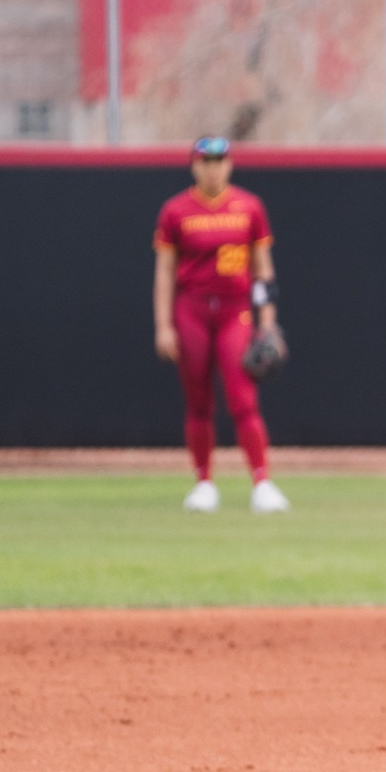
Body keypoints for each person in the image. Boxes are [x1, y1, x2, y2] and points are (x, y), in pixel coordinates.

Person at [152, 136, 289, 514]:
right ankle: (204, 483)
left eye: (219, 161)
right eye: (205, 161)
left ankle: (262, 482)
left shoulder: (249, 206)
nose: (213, 168)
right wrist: (163, 325)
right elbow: (164, 273)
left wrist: (268, 323)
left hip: (234, 310)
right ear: (194, 166)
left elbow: (263, 270)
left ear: (229, 165)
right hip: (192, 309)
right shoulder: (176, 210)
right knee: (198, 401)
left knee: (243, 398)